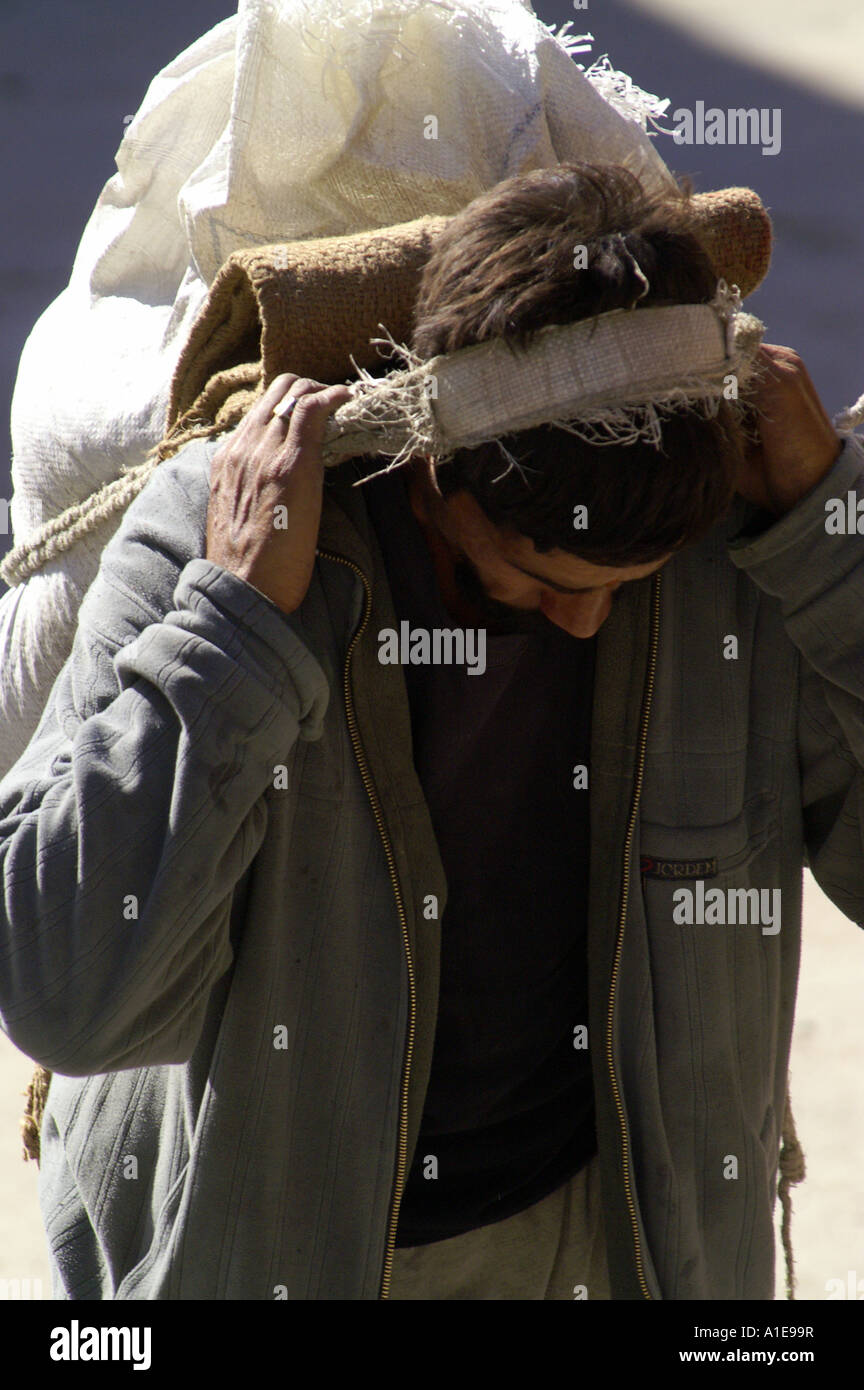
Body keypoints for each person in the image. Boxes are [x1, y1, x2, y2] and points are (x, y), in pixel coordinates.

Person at [0, 162, 856, 1300]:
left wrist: (837, 542)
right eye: (533, 580)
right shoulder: (231, 531)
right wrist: (236, 628)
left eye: (625, 585)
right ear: (430, 472)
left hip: (613, 1252)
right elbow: (67, 994)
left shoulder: (736, 538)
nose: (588, 616)